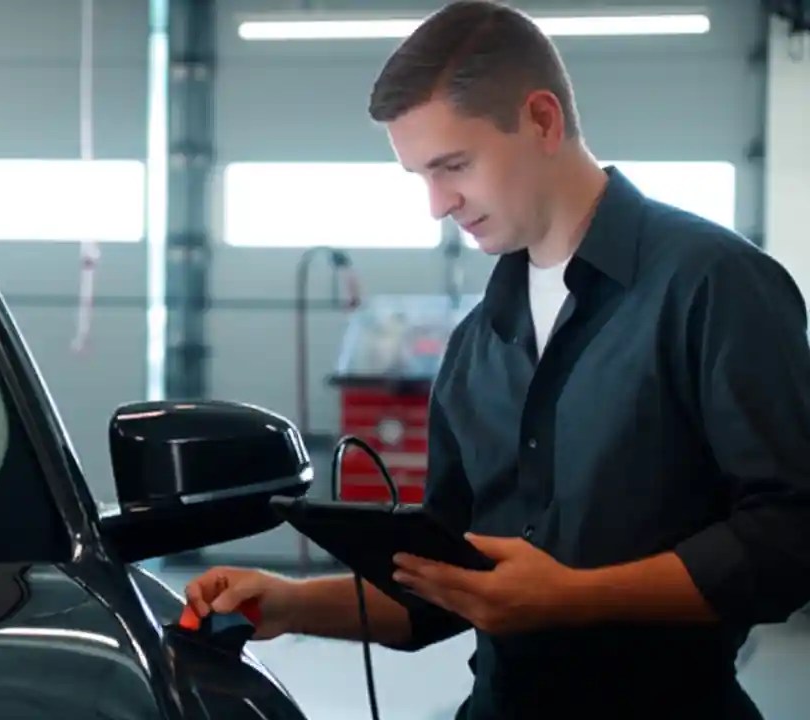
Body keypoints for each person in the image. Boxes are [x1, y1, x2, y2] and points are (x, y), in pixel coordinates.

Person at [185, 2, 810, 718]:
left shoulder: (713, 284)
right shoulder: (476, 344)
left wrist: (572, 598)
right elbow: (443, 590)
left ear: (542, 120)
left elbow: (790, 536)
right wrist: (293, 604)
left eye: (454, 165)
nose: (436, 204)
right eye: (419, 175)